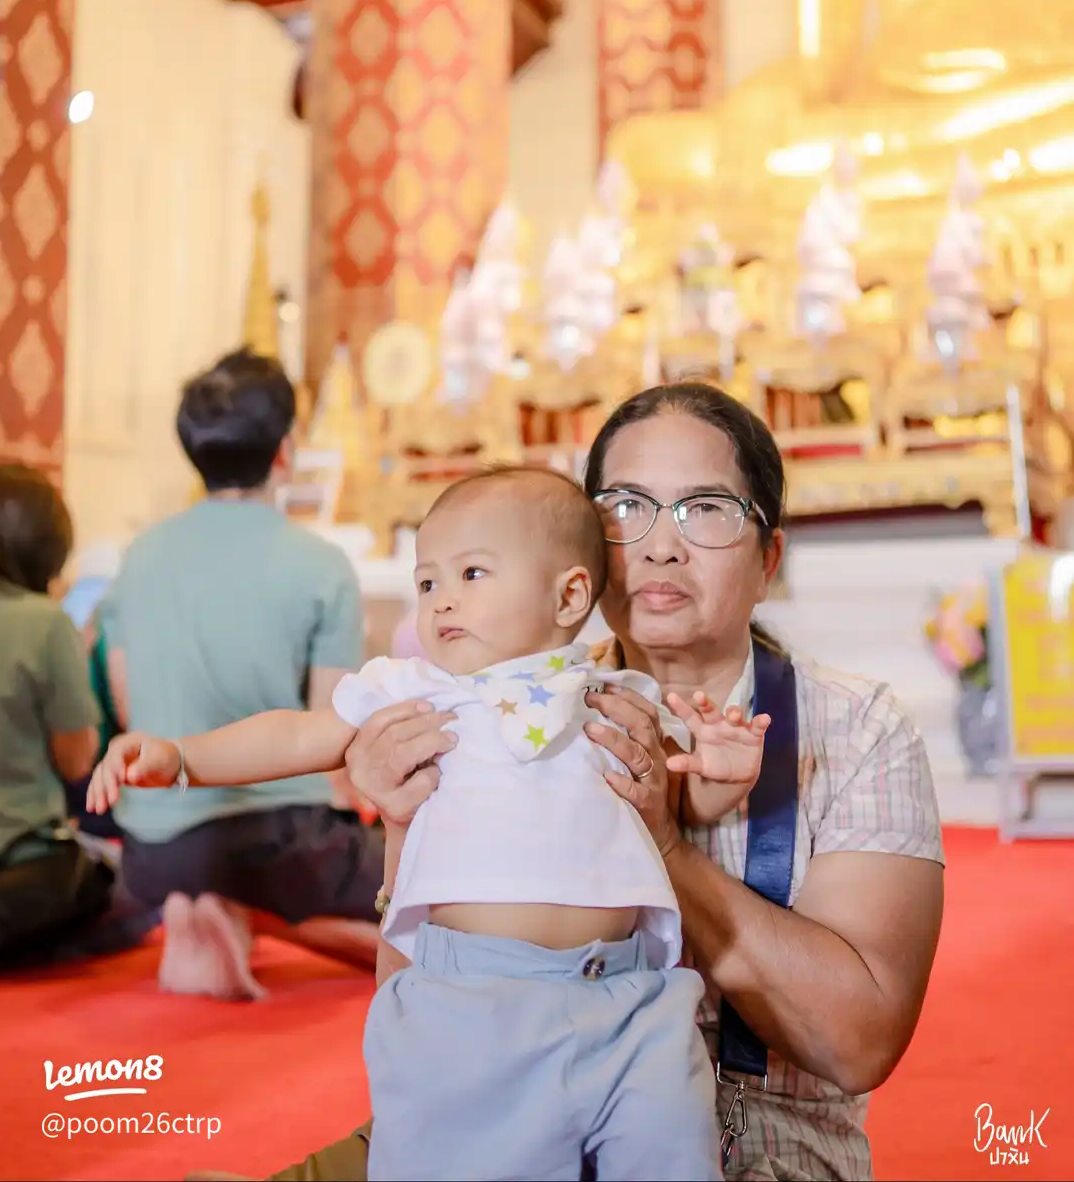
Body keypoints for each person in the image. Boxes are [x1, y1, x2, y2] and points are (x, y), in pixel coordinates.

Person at [231, 381, 944, 1182]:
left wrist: (665, 843)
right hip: (491, 1103)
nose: (662, 547)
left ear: (768, 557)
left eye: (705, 509)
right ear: (582, 557)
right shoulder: (494, 705)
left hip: (749, 1146)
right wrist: (406, 826)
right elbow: (422, 997)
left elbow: (859, 1042)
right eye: (628, 507)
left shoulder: (854, 729)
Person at [94, 465, 771, 1182]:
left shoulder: (611, 696)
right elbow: (298, 735)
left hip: (634, 1003)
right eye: (426, 584)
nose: (442, 600)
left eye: (472, 574)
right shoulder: (419, 690)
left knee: (673, 1157)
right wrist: (183, 757)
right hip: (471, 1004)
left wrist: (724, 782)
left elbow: (667, 816)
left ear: (570, 594)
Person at [100, 348, 383, 998]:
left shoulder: (137, 557)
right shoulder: (320, 564)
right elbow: (330, 736)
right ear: (285, 451)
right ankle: (259, 914)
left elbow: (126, 707)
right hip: (282, 846)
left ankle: (206, 902)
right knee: (443, 901)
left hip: (152, 848)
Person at [0, 465, 112, 963]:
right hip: (17, 870)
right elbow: (77, 761)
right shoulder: (45, 623)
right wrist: (75, 663)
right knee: (132, 889)